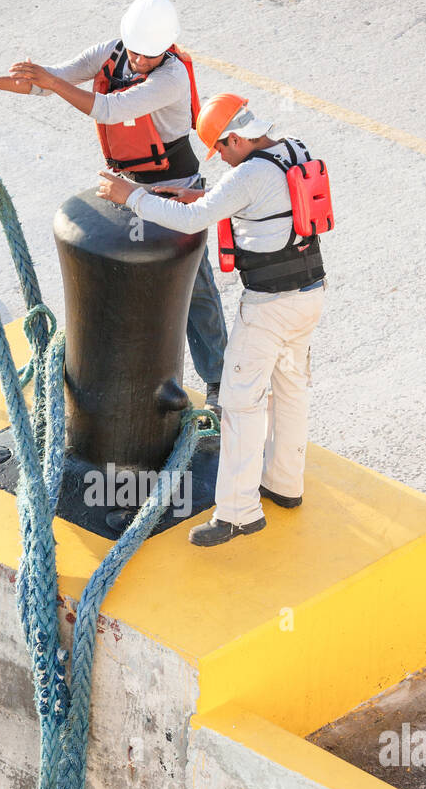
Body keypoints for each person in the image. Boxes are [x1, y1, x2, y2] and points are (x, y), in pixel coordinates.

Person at [0, 0, 227, 404]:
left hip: (174, 187)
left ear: (166, 49)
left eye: (148, 57)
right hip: (124, 186)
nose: (137, 61)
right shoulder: (111, 53)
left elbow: (108, 109)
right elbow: (49, 80)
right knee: (117, 275)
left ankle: (219, 380)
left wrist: (54, 82)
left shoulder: (173, 78)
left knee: (193, 288)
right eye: (134, 52)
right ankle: (114, 380)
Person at [97, 93, 328, 547]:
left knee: (241, 404)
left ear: (236, 138)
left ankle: (239, 514)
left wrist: (133, 195)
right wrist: (198, 194)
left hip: (269, 308)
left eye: (221, 148)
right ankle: (285, 485)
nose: (220, 158)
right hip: (309, 295)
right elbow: (260, 200)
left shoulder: (249, 172)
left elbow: (192, 221)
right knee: (291, 389)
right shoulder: (295, 151)